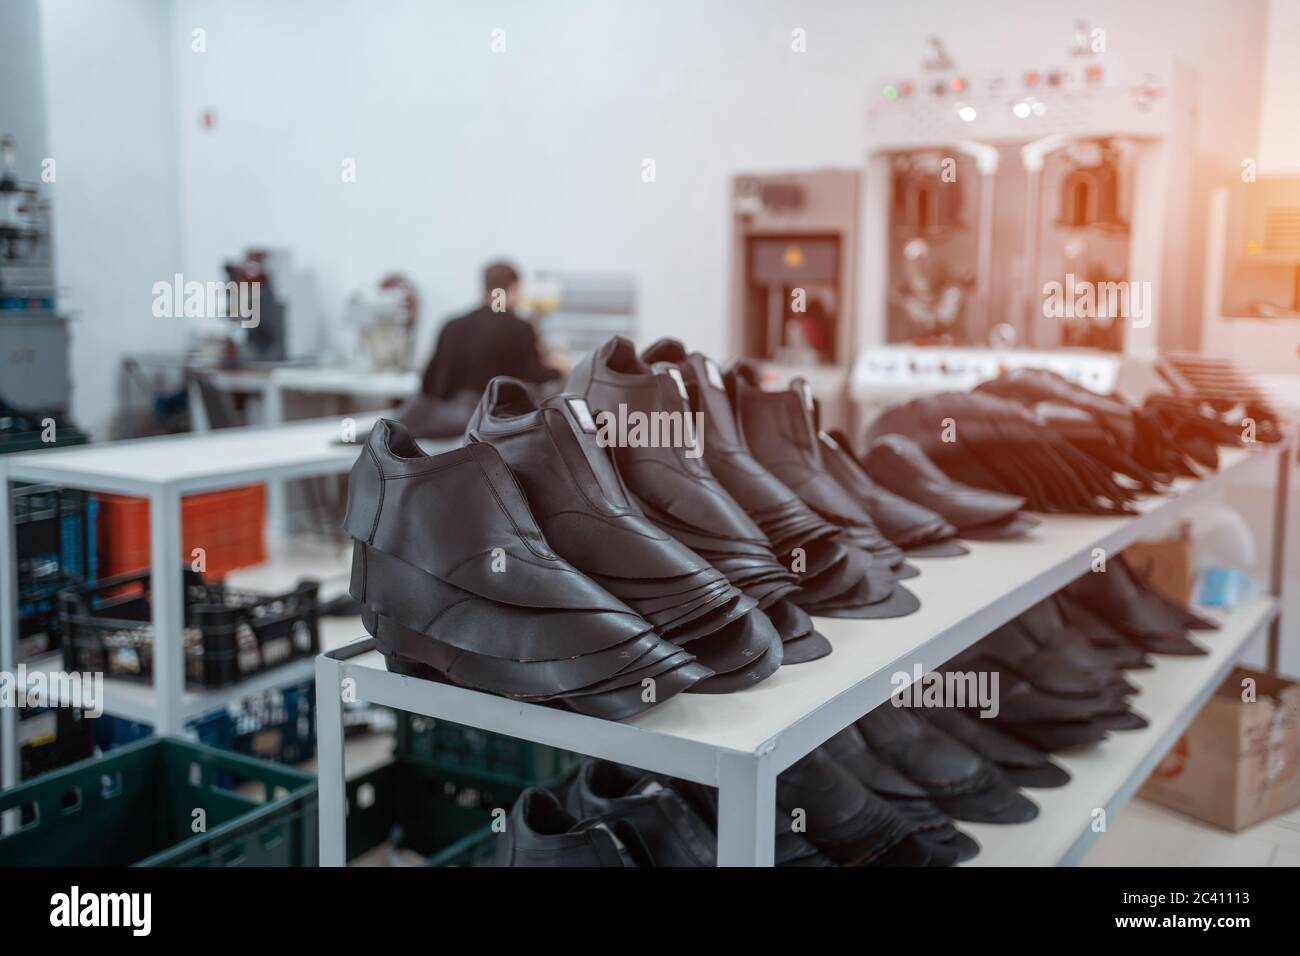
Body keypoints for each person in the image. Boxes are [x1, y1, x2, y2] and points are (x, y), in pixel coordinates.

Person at [420, 260, 563, 400]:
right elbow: (533, 376)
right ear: (513, 289)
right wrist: (558, 369)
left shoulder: (451, 325)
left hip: (448, 418)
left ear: (485, 288)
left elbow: (428, 381)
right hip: (494, 419)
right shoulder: (519, 328)